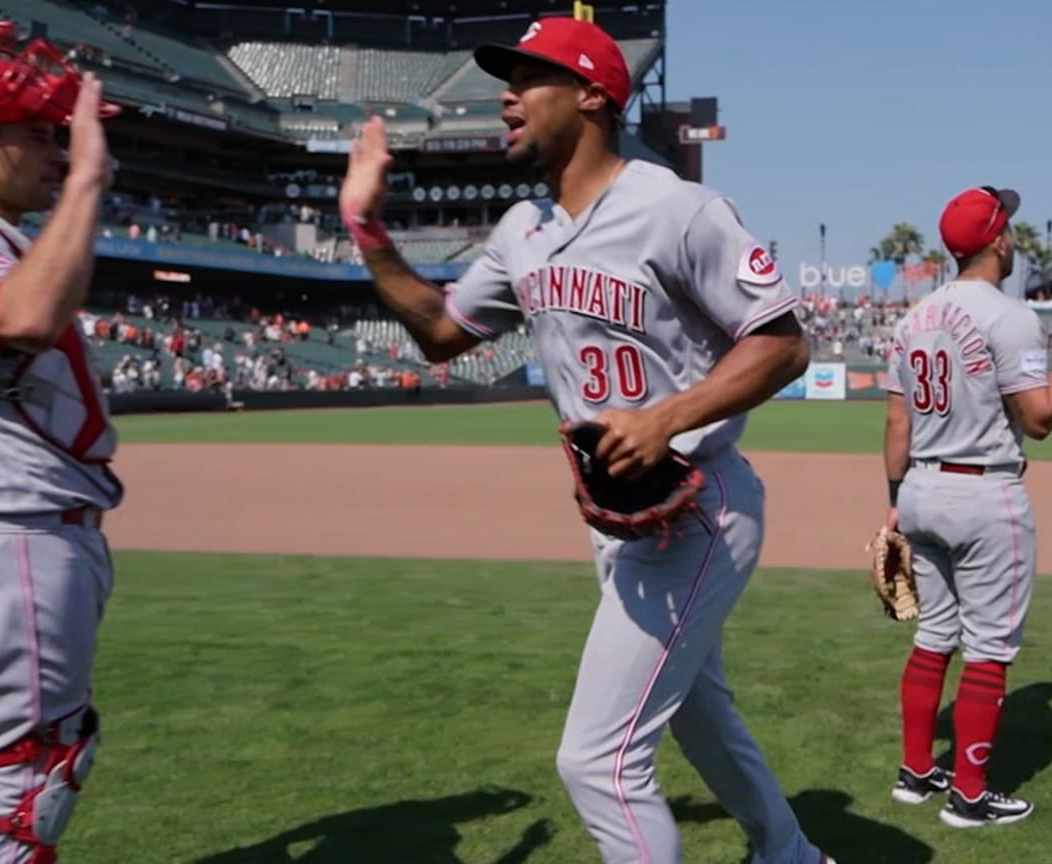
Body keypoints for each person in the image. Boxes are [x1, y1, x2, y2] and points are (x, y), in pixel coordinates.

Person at [338, 16, 835, 864]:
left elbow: (783, 342)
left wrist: (666, 416)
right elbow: (441, 332)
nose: (506, 96)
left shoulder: (676, 208)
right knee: (699, 715)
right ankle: (788, 854)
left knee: (598, 762)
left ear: (594, 96)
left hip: (699, 506)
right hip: (616, 520)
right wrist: (366, 229)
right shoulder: (522, 230)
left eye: (528, 77)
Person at [0, 21, 122, 864]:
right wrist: (87, 181)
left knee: (40, 758)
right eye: (38, 134)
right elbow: (21, 317)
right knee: (24, 782)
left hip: (21, 542)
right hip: (14, 544)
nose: (57, 148)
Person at [883, 185, 1052, 828]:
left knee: (934, 634)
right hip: (984, 489)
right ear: (999, 240)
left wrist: (895, 505)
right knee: (989, 647)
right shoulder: (1012, 315)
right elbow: (1042, 418)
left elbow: (896, 428)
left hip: (918, 487)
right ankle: (969, 796)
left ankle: (916, 772)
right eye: (1010, 229)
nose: (1014, 239)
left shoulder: (912, 317)